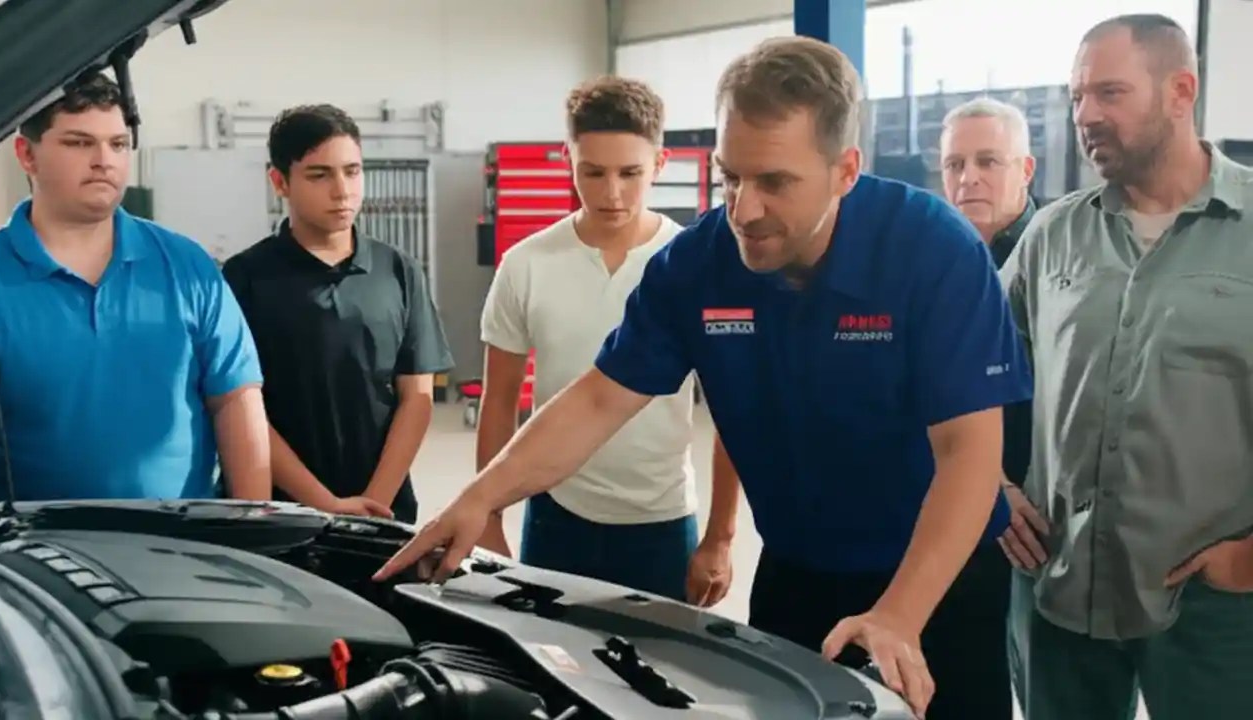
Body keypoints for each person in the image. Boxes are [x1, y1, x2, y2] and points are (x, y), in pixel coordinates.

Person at [377, 36, 1031, 720]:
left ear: (844, 171)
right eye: (730, 177)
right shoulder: (696, 266)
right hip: (796, 571)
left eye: (774, 182)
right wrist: (482, 497)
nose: (743, 210)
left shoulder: (932, 251)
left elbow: (969, 454)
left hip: (936, 578)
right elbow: (600, 399)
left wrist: (898, 615)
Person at [1001, 14, 1253, 720]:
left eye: (1108, 93)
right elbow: (973, 377)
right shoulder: (1054, 236)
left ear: (1180, 91)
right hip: (1058, 588)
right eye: (1077, 95)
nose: (1085, 115)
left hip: (1215, 608)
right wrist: (990, 487)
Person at [474, 76, 739, 605]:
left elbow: (733, 412)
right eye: (592, 172)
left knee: (662, 676)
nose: (611, 193)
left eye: (630, 173)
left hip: (662, 520)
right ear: (570, 162)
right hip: (554, 513)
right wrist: (488, 514)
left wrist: (721, 537)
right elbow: (498, 399)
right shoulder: (525, 265)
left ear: (661, 164)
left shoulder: (696, 266)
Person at [0, 70, 269, 503]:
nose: (103, 160)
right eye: (78, 143)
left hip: (183, 551)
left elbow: (236, 402)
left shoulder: (186, 266)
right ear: (27, 155)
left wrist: (254, 534)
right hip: (36, 561)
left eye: (118, 144)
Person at [223, 104, 454, 523]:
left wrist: (374, 504)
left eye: (352, 171)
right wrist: (324, 504)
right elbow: (241, 408)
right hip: (283, 513)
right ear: (280, 181)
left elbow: (417, 398)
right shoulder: (247, 277)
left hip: (384, 512)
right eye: (319, 175)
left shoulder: (397, 270)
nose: (342, 190)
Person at [938, 96, 1040, 699]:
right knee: (969, 680)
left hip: (1046, 519)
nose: (967, 177)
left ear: (1025, 170)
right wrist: (987, 485)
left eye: (988, 161)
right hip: (962, 505)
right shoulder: (932, 260)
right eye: (954, 164)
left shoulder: (1064, 254)